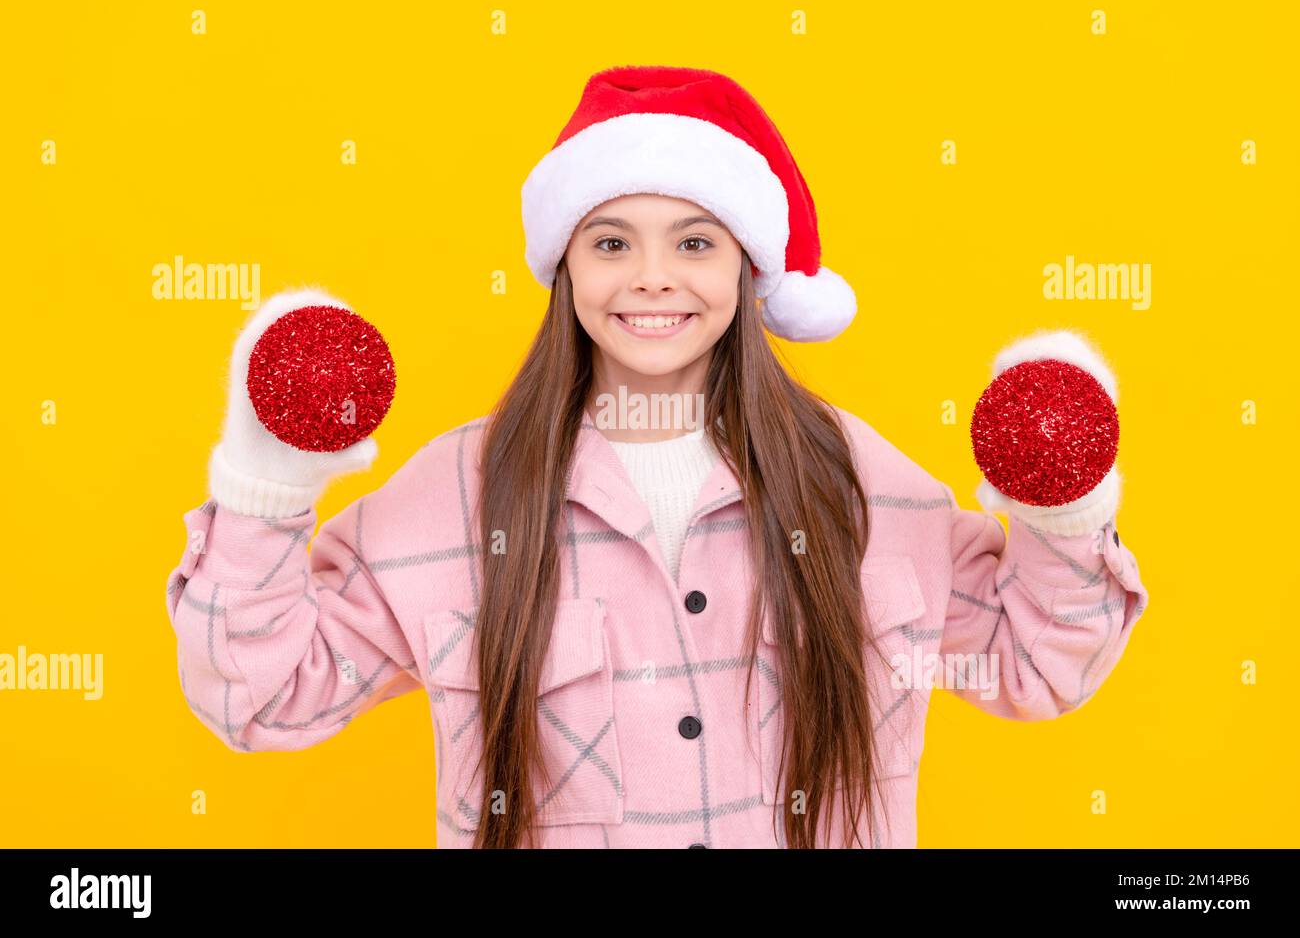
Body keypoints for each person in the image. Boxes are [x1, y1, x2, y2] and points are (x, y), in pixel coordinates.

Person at [164, 65, 1149, 849]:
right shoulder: (458, 493)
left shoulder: (854, 479)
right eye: (608, 242)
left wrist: (1060, 501)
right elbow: (262, 694)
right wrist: (269, 475)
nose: (650, 279)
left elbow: (1031, 663)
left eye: (692, 242)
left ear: (745, 268)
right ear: (564, 267)